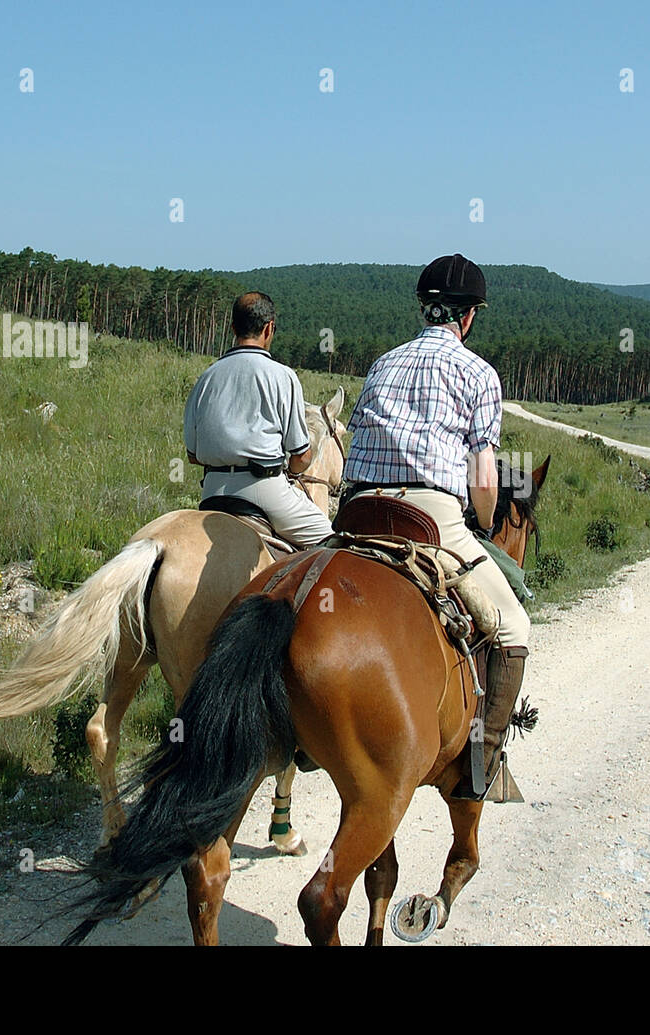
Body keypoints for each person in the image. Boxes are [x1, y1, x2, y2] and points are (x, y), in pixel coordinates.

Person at [342, 254, 531, 802]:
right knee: (514, 625)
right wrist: (488, 519)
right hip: (430, 519)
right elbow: (483, 478)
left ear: (425, 309)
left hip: (357, 513)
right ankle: (482, 761)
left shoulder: (382, 363)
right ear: (469, 317)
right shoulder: (479, 374)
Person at [183, 291, 334, 548]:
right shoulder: (282, 376)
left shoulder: (206, 378)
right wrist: (292, 471)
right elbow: (302, 456)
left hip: (212, 491)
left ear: (233, 328)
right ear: (269, 328)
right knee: (335, 545)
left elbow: (193, 455)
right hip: (264, 490)